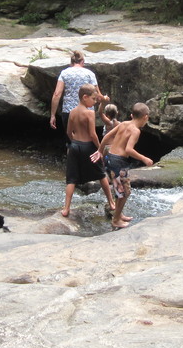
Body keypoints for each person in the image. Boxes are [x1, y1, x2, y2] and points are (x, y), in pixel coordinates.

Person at [62, 84, 114, 218]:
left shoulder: (72, 112)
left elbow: (68, 131)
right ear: (85, 97)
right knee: (101, 174)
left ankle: (66, 208)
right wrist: (99, 149)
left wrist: (75, 142)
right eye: (93, 99)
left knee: (71, 179)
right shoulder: (89, 113)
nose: (95, 102)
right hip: (88, 146)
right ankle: (112, 202)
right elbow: (92, 134)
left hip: (74, 146)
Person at [99, 102, 154, 229]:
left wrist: (100, 152)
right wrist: (144, 158)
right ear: (146, 117)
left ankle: (119, 214)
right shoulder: (136, 131)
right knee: (125, 192)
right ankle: (116, 220)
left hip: (110, 158)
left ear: (131, 115)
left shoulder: (123, 123)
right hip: (119, 162)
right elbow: (129, 150)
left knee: (120, 190)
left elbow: (107, 136)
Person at [49, 50, 107, 139]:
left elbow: (57, 94)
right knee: (86, 139)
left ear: (71, 63)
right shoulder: (90, 74)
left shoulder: (64, 73)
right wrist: (105, 99)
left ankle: (71, 151)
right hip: (86, 112)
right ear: (82, 62)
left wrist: (53, 115)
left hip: (68, 111)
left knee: (70, 140)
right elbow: (98, 96)